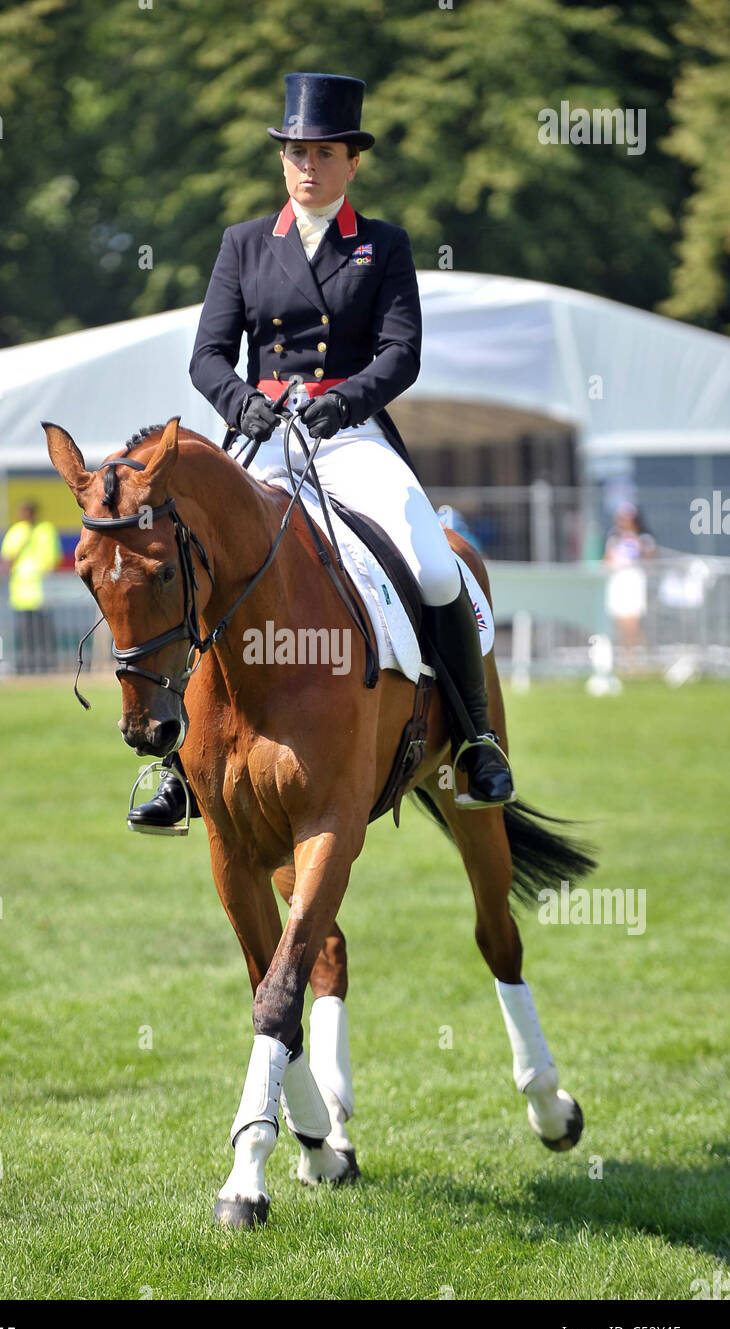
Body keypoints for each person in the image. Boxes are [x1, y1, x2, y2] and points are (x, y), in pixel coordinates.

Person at [131, 71, 514, 829]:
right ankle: (176, 767)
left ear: (352, 162)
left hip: (352, 435)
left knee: (435, 562)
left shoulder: (383, 247)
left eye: (325, 152)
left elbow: (401, 353)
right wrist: (244, 404)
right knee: (197, 562)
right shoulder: (243, 245)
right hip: (265, 435)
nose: (309, 165)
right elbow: (209, 355)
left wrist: (344, 401)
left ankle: (475, 741)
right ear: (282, 160)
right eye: (296, 152)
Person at [0, 500, 62, 673]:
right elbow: (7, 560)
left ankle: (47, 667)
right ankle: (27, 667)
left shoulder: (46, 530)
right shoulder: (16, 532)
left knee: (45, 635)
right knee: (26, 635)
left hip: (43, 593)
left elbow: (53, 559)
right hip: (21, 595)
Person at [603, 502, 656, 668]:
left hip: (634, 581)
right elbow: (606, 561)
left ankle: (640, 657)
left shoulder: (643, 539)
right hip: (618, 582)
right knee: (621, 622)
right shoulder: (614, 538)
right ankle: (628, 659)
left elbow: (651, 561)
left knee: (632, 623)